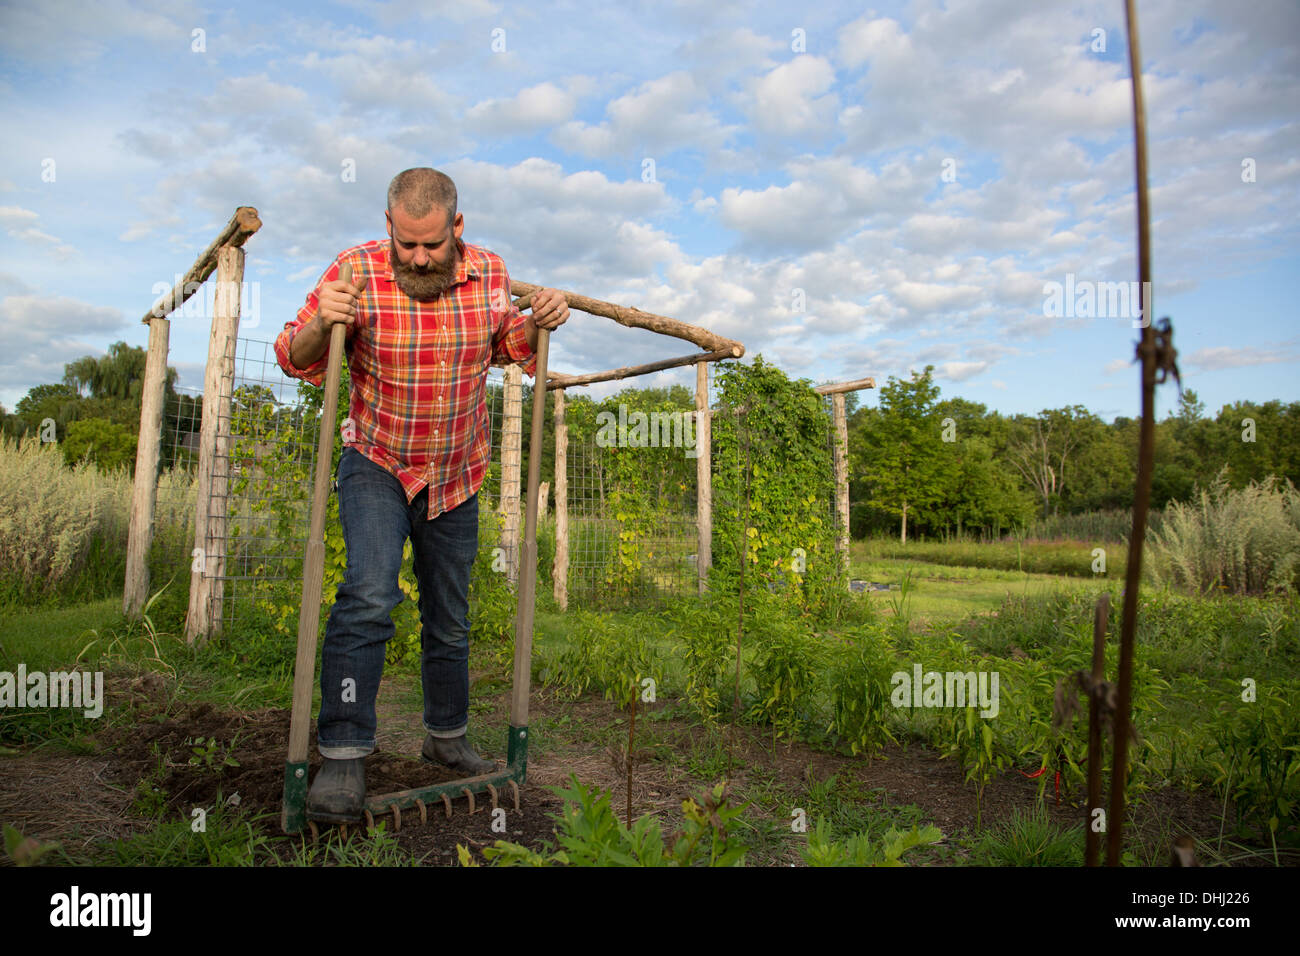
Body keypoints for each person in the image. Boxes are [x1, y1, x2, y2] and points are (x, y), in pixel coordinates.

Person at [274, 167, 569, 822]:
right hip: (377, 459)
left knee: (451, 611)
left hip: (458, 467)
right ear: (389, 228)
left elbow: (506, 347)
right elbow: (295, 357)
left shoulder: (490, 273)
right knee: (370, 593)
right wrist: (324, 323)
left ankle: (446, 738)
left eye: (431, 245)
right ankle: (345, 755)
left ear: (456, 229)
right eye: (405, 244)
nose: (417, 258)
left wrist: (539, 320)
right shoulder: (352, 271)